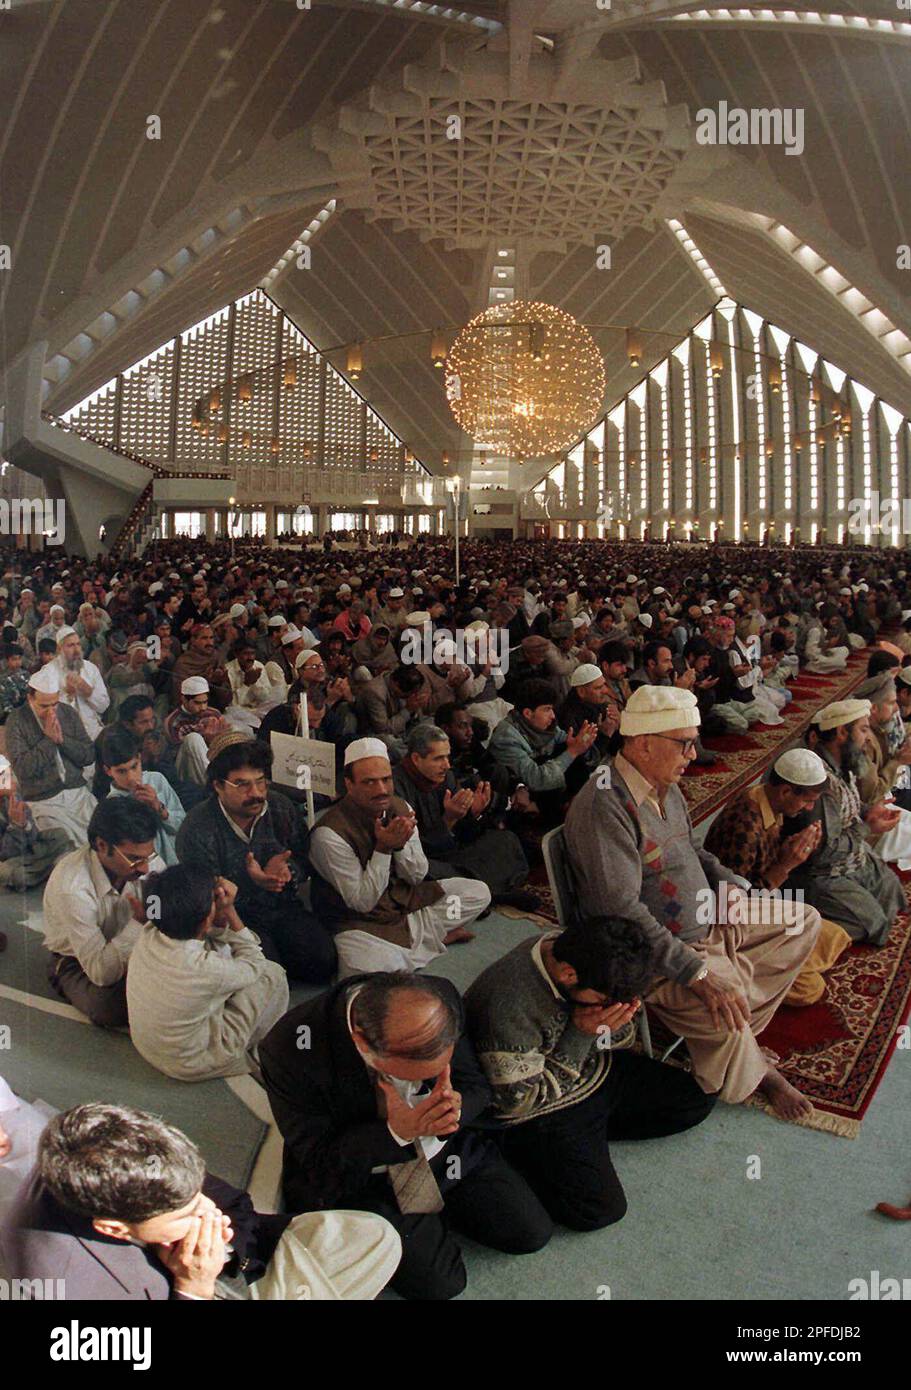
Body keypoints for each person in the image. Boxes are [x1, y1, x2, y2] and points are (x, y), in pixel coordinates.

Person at [564, 685, 822, 1120]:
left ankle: (739, 1031)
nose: (693, 753)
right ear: (644, 743)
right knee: (728, 996)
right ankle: (754, 1064)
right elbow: (621, 913)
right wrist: (696, 972)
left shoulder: (664, 785)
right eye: (684, 743)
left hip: (708, 918)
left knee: (804, 920)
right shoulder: (604, 804)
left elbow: (693, 852)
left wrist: (731, 884)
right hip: (657, 952)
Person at [259, 972, 552, 1301]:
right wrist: (396, 1132)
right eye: (411, 1076)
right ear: (362, 1043)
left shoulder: (438, 998)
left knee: (530, 1233)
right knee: (443, 1285)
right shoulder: (288, 1049)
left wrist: (456, 1107)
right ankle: (419, 1221)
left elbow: (475, 1086)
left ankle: (434, 1213)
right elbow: (319, 1158)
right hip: (371, 1173)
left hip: (446, 1149)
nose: (427, 1080)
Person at [0, 1103, 401, 1301]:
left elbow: (235, 1204)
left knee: (375, 1236)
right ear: (113, 1228)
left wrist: (224, 1254)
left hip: (231, 1274)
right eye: (189, 1214)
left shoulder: (118, 1151)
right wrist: (193, 1287)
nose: (209, 1212)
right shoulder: (54, 1285)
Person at [465, 917, 715, 1231]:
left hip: (588, 1070)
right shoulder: (507, 1004)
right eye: (606, 1000)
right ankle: (538, 1153)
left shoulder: (575, 954)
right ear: (568, 973)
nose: (613, 1005)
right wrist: (583, 1034)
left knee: (695, 1101)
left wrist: (609, 1027)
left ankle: (588, 1136)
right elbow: (519, 1102)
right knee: (599, 1209)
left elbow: (615, 1042)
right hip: (537, 1108)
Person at [309, 737, 491, 978]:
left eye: (386, 780)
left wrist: (401, 846)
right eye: (369, 782)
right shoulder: (329, 834)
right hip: (360, 924)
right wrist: (383, 849)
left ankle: (428, 938)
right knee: (374, 970)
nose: (382, 790)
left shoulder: (400, 807)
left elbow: (416, 876)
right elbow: (362, 902)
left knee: (478, 894)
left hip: (404, 903)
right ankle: (432, 939)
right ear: (349, 785)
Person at [175, 734, 336, 983]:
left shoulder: (281, 808)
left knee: (322, 962)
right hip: (235, 919)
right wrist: (253, 881)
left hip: (282, 908)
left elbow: (304, 858)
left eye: (260, 782)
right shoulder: (197, 828)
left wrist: (286, 873)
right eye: (242, 785)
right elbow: (205, 895)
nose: (256, 793)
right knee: (265, 976)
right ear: (218, 785)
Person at [703, 749, 852, 1005]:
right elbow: (735, 909)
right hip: (730, 928)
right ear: (785, 791)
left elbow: (763, 862)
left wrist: (787, 850)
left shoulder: (770, 802)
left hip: (765, 904)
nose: (810, 808)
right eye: (807, 801)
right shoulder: (744, 827)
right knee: (810, 989)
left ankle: (790, 964)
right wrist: (785, 866)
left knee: (836, 936)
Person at [126, 864, 289, 1082]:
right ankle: (266, 1050)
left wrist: (215, 913)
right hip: (191, 1063)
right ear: (205, 920)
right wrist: (230, 910)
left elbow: (205, 933)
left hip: (149, 1047)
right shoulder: (205, 969)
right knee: (273, 974)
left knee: (220, 950)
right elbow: (255, 962)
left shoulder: (151, 931)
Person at [791, 699, 906, 944]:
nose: (867, 737)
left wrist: (868, 812)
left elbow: (847, 808)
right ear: (842, 733)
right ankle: (803, 927)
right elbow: (823, 851)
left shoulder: (843, 763)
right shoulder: (819, 782)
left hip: (851, 856)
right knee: (873, 923)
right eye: (863, 730)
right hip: (821, 874)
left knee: (891, 891)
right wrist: (867, 827)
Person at [41, 798, 161, 1027]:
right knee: (106, 1006)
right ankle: (59, 973)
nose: (145, 868)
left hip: (133, 940)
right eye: (135, 859)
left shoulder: (143, 859)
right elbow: (100, 972)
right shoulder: (73, 888)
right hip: (79, 960)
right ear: (102, 846)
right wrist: (138, 923)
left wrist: (154, 913)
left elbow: (160, 894)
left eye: (148, 857)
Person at [392, 722, 532, 909]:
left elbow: (464, 834)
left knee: (505, 841)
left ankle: (485, 894)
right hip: (425, 859)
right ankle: (492, 896)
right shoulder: (396, 788)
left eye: (448, 757)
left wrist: (473, 813)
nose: (447, 765)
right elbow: (413, 854)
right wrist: (448, 820)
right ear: (416, 759)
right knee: (433, 872)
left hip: (453, 851)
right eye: (438, 759)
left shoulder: (446, 777)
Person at [4, 663, 97, 848]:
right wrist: (48, 741)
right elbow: (23, 770)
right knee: (69, 845)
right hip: (44, 801)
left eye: (54, 704)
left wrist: (63, 741)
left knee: (104, 836)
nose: (51, 711)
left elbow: (88, 756)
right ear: (30, 698)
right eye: (44, 706)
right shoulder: (16, 720)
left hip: (78, 793)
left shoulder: (68, 712)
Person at [487, 678, 598, 826]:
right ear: (527, 713)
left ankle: (578, 805)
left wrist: (580, 743)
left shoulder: (546, 727)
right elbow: (536, 778)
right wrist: (573, 750)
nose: (552, 716)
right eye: (547, 709)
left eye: (552, 709)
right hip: (517, 794)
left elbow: (570, 745)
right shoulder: (506, 738)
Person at [94, 726, 185, 867]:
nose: (131, 777)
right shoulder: (112, 805)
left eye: (134, 767)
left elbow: (183, 826)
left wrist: (160, 808)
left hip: (177, 859)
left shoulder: (157, 780)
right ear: (108, 771)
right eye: (121, 771)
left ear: (139, 758)